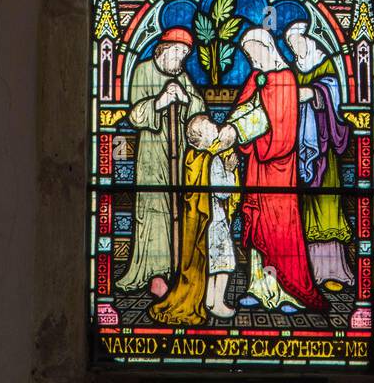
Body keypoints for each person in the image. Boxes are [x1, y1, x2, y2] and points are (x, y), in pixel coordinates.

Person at [218, 28, 325, 313]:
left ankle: (287, 291)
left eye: (254, 52)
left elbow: (277, 121)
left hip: (278, 166)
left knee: (280, 228)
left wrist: (237, 130)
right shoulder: (256, 78)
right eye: (248, 54)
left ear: (267, 48)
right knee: (258, 226)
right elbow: (243, 107)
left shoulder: (286, 79)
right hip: (256, 166)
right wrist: (230, 133)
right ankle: (259, 286)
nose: (251, 58)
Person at [116, 26, 204, 297]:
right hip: (152, 155)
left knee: (176, 209)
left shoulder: (182, 75)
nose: (180, 58)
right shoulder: (144, 70)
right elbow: (135, 113)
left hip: (177, 156)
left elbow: (198, 107)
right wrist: (160, 100)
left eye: (184, 54)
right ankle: (154, 273)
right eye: (177, 51)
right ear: (163, 50)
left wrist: (187, 99)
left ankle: (176, 268)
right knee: (154, 210)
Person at [277, 2, 354, 292]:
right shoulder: (291, 70)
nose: (294, 49)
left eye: (297, 42)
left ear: (310, 39)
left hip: (323, 152)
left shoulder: (326, 63)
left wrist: (315, 92)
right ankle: (304, 268)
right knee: (302, 206)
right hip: (297, 148)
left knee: (326, 203)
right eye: (290, 44)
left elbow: (337, 94)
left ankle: (331, 270)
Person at [150, 113, 239, 325]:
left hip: (200, 221)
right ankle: (218, 304)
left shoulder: (192, 158)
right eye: (210, 127)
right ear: (202, 138)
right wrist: (229, 170)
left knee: (209, 263)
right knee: (224, 262)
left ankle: (207, 300)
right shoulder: (212, 160)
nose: (215, 128)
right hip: (215, 219)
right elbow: (223, 192)